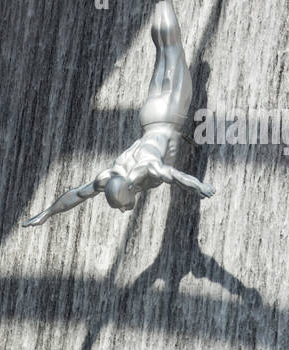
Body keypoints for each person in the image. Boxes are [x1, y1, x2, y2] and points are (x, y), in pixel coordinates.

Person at [25, 1, 214, 224]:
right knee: (163, 51)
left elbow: (174, 176)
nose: (125, 210)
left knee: (172, 49)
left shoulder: (146, 168)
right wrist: (46, 213)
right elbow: (76, 195)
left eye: (123, 205)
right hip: (150, 117)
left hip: (170, 113)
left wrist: (199, 186)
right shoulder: (110, 175)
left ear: (131, 187)